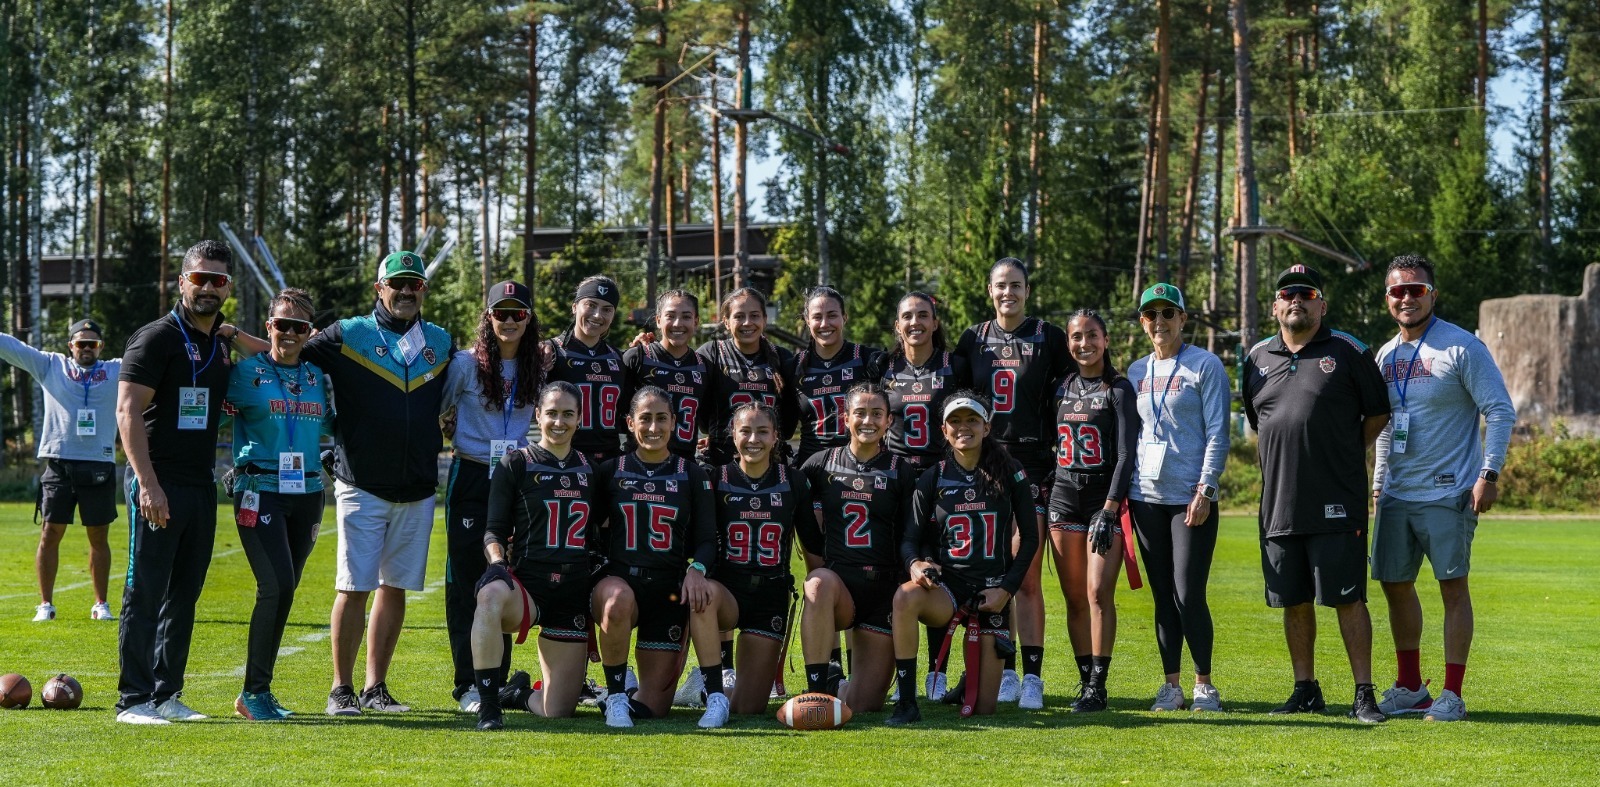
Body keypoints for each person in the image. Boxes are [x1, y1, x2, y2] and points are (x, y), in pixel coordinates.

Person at [296, 250, 455, 715]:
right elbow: (286, 353)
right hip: (361, 483)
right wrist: (231, 339)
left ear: (423, 289)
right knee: (354, 586)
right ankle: (340, 689)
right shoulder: (349, 333)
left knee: (396, 587)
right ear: (378, 288)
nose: (406, 292)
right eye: (397, 283)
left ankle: (375, 687)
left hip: (420, 486)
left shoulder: (441, 341)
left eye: (415, 284)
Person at [1242, 265, 1391, 724]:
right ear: (1275, 306)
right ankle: (1305, 688)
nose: (1296, 301)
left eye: (1306, 294)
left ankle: (1364, 693)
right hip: (1279, 504)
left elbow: (1378, 415)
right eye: (1287, 294)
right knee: (1294, 599)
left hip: (1337, 500)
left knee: (1347, 598)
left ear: (1321, 305)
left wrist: (1341, 452)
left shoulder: (1350, 351)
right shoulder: (1255, 359)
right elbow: (1257, 422)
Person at [1370, 254, 1515, 722]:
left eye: (1416, 289)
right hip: (1396, 494)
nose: (1406, 297)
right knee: (1394, 586)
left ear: (1433, 294)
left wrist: (1488, 474)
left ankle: (1452, 693)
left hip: (1448, 491)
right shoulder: (1385, 355)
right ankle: (1411, 687)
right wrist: (1377, 484)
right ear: (1387, 298)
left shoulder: (1462, 346)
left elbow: (1499, 409)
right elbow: (1387, 426)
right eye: (1398, 291)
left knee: (1453, 588)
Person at [114, 240, 236, 724]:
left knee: (184, 594)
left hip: (199, 483)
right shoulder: (155, 337)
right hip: (157, 480)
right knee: (145, 590)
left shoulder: (218, 343)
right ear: (181, 280)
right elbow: (127, 412)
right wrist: (148, 484)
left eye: (218, 280)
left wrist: (232, 331)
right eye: (199, 278)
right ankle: (133, 699)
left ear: (227, 287)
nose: (208, 287)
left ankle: (166, 694)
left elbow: (272, 348)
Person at [953, 258, 1070, 707]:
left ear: (1027, 290)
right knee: (990, 569)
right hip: (986, 464)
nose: (1008, 294)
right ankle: (1002, 670)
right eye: (1001, 286)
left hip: (1035, 463)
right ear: (989, 290)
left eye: (1016, 286)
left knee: (1027, 575)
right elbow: (958, 404)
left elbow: (1070, 391)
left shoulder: (1048, 336)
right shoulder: (974, 339)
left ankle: (1033, 675)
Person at [886, 392, 1039, 725]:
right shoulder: (934, 475)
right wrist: (916, 565)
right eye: (955, 421)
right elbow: (910, 539)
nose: (963, 427)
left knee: (984, 708)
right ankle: (907, 700)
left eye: (972, 420)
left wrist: (1007, 590)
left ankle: (968, 682)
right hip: (949, 588)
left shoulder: (1010, 470)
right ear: (944, 429)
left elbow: (1030, 537)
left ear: (986, 427)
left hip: (992, 592)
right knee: (905, 597)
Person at [224, 288, 332, 721]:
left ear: (310, 332)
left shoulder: (318, 376)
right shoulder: (243, 373)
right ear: (268, 326)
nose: (288, 333)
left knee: (284, 592)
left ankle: (260, 693)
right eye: (281, 324)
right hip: (259, 489)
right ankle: (253, 693)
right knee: (277, 586)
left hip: (308, 494)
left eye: (298, 326)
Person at [1126, 282, 1229, 713]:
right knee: (1163, 595)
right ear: (1143, 323)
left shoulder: (1205, 366)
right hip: (1146, 496)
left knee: (1189, 592)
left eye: (1169, 313)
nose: (1160, 322)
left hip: (1191, 497)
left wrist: (1206, 487)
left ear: (1183, 319)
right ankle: (1171, 686)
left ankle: (1203, 682)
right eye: (1152, 315)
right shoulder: (1134, 372)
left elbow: (1218, 432)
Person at [468, 382, 596, 730]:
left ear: (579, 418)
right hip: (528, 588)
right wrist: (497, 563)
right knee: (490, 595)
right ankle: (490, 706)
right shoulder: (516, 463)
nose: (559, 421)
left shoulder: (592, 469)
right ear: (537, 415)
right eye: (551, 413)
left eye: (568, 413)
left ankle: (517, 695)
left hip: (571, 595)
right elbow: (494, 529)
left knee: (558, 711)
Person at [440, 281, 542, 712]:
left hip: (513, 477)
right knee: (466, 579)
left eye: (518, 313)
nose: (509, 320)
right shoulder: (465, 364)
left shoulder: (538, 365)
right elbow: (439, 407)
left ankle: (496, 680)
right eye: (501, 313)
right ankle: (468, 684)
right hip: (471, 473)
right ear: (488, 317)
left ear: (529, 319)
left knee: (505, 577)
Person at [590, 387, 717, 727]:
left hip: (667, 590)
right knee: (616, 600)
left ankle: (626, 689)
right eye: (645, 419)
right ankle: (616, 693)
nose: (653, 427)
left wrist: (697, 570)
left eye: (662, 418)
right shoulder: (610, 471)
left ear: (674, 422)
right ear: (630, 423)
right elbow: (586, 529)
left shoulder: (691, 473)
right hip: (620, 580)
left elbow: (707, 539)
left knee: (654, 707)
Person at [688, 401, 813, 728]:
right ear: (733, 434)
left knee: (748, 708)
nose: (753, 439)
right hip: (727, 591)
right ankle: (714, 692)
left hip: (770, 596)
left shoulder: (793, 481)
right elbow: (700, 538)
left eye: (762, 431)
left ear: (775, 437)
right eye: (745, 430)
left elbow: (812, 545)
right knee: (704, 595)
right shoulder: (715, 479)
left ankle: (701, 694)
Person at [798, 383, 916, 714]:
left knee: (864, 706)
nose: (868, 420)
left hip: (882, 591)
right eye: (860, 413)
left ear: (889, 420)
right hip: (840, 587)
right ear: (845, 418)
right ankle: (816, 694)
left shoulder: (900, 469)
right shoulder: (821, 463)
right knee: (817, 582)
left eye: (877, 414)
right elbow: (789, 497)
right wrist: (813, 546)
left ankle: (839, 685)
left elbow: (912, 530)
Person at [1046, 309, 1139, 713]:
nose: (1084, 344)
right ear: (1068, 343)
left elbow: (1125, 453)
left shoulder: (1118, 389)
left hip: (1103, 501)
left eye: (1092, 336)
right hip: (1064, 498)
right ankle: (1084, 681)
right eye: (1077, 337)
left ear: (1105, 339)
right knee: (1074, 598)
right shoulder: (1060, 387)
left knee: (1099, 592)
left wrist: (1110, 506)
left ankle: (1099, 684)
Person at [0, 318, 121, 623]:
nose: (86, 349)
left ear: (101, 347)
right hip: (58, 461)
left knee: (98, 536)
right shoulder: (51, 366)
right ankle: (45, 604)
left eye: (92, 344)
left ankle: (101, 604)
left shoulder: (116, 369)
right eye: (81, 343)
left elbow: (152, 353)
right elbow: (12, 347)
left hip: (99, 462)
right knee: (50, 533)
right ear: (71, 346)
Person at [696, 287, 798, 467]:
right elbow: (698, 409)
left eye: (754, 315)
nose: (747, 322)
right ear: (726, 322)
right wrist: (646, 351)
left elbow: (789, 422)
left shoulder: (782, 357)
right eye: (739, 316)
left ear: (765, 320)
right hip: (722, 460)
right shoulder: (711, 354)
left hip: (770, 461)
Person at [879, 292, 971, 475]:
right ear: (898, 326)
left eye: (923, 315)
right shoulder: (883, 368)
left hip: (943, 471)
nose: (915, 322)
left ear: (935, 323)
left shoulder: (955, 366)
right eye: (907, 316)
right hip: (895, 472)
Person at [543, 276, 630, 464]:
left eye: (607, 309)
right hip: (564, 460)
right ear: (575, 307)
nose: (598, 315)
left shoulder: (618, 357)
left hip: (610, 461)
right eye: (591, 305)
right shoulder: (550, 352)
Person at [792, 286, 880, 464]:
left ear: (844, 318)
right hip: (810, 466)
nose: (825, 324)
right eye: (817, 317)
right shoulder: (793, 366)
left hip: (858, 466)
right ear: (807, 321)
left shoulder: (867, 359)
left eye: (832, 315)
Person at [622, 289, 710, 460]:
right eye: (670, 316)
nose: (678, 324)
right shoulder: (638, 357)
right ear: (658, 320)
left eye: (686, 316)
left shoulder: (704, 365)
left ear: (696, 321)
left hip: (684, 464)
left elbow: (709, 420)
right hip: (639, 461)